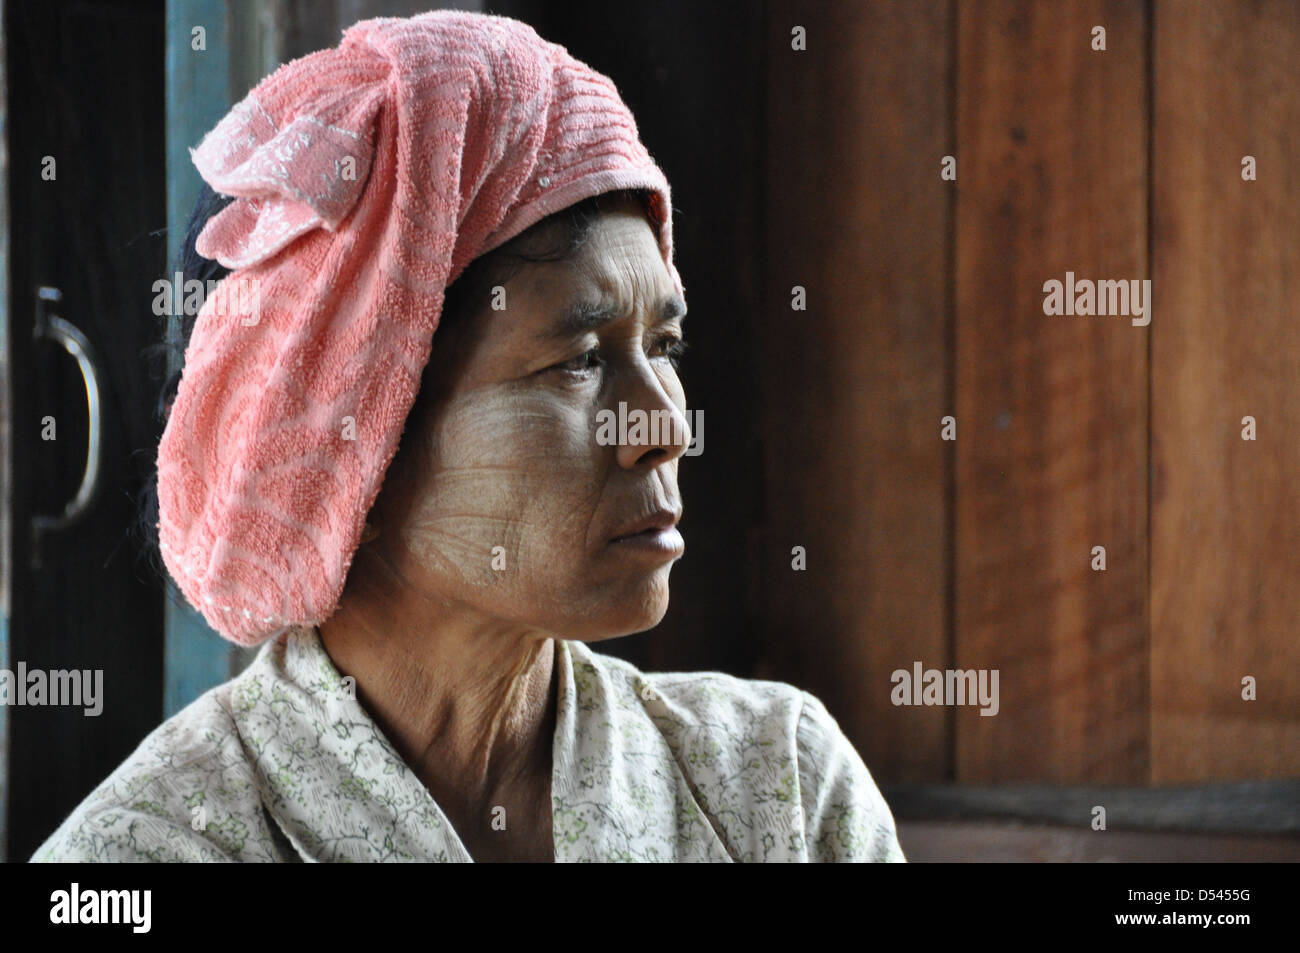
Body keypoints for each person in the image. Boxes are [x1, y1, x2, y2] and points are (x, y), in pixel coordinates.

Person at [32, 10, 905, 863]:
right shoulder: (149, 850)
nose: (666, 426)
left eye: (664, 346)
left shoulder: (779, 788)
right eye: (579, 362)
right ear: (347, 461)